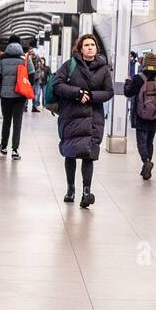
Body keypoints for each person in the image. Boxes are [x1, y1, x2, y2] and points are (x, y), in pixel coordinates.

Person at [54, 33, 114, 208]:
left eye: (92, 45)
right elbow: (57, 85)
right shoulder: (70, 65)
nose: (90, 47)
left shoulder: (103, 69)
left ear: (97, 48)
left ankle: (86, 191)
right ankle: (70, 188)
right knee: (70, 152)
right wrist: (77, 93)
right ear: (80, 49)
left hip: (93, 117)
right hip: (71, 116)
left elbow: (109, 92)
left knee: (89, 154)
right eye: (86, 45)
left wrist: (91, 96)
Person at [124, 52, 156, 179]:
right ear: (155, 64)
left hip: (140, 114)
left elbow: (128, 93)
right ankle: (147, 164)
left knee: (141, 141)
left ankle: (146, 162)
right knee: (150, 141)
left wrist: (127, 82)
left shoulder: (138, 78)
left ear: (144, 63)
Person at [0, 36, 33, 159]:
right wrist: (27, 89)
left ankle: (4, 146)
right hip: (20, 94)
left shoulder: (1, 58)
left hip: (5, 95)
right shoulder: (25, 58)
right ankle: (15, 150)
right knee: (18, 122)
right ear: (20, 44)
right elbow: (32, 75)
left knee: (6, 120)